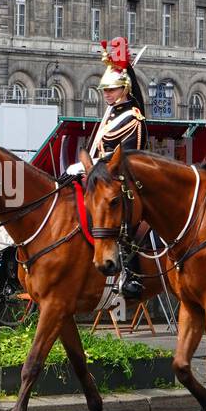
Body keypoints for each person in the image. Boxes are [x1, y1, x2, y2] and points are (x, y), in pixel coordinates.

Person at [67, 38, 148, 297]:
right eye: (104, 90)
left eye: (111, 90)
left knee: (124, 216)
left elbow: (125, 157)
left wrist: (94, 168)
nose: (106, 94)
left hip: (123, 179)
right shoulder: (112, 114)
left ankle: (132, 273)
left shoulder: (133, 118)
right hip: (102, 176)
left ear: (124, 89)